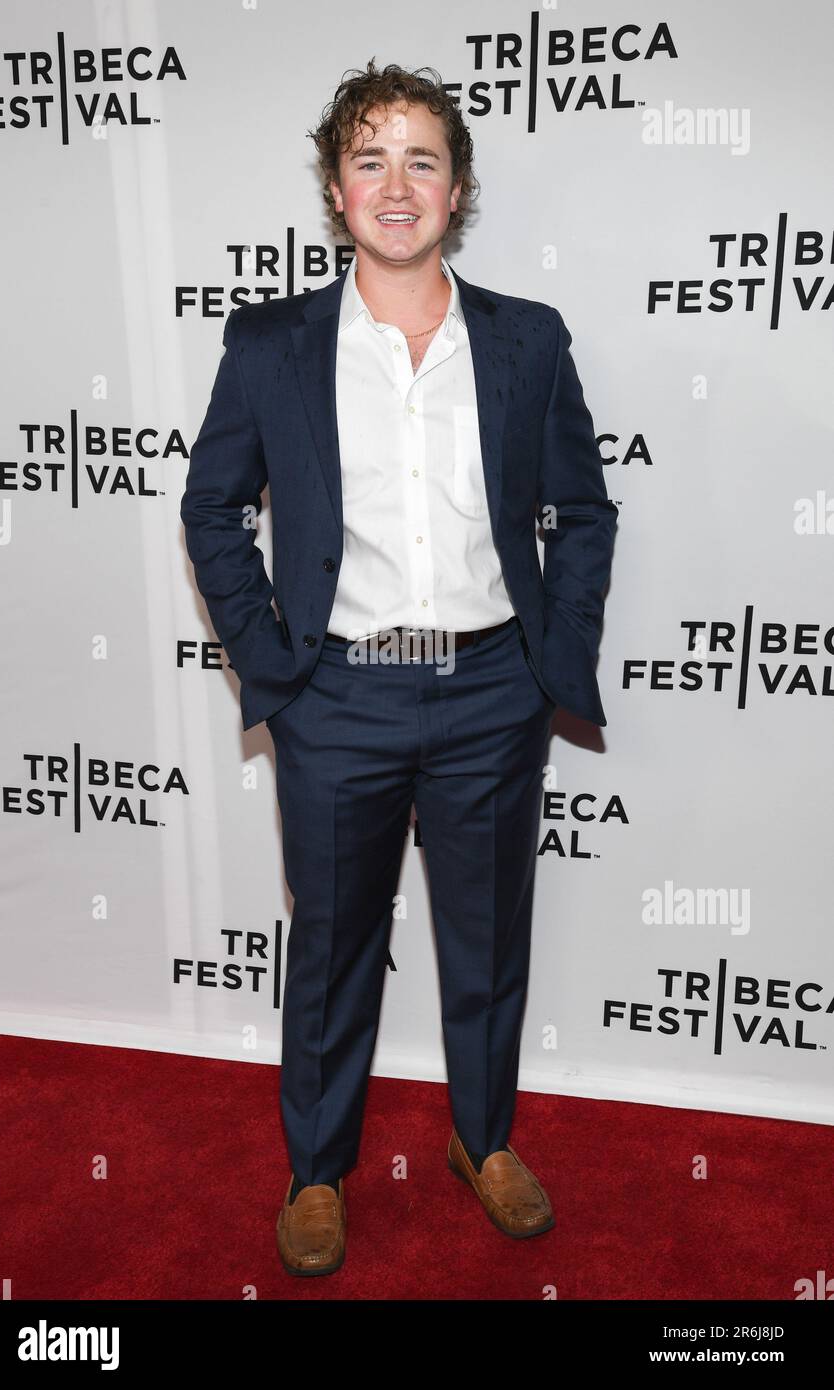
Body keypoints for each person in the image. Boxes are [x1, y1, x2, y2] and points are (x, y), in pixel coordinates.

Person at [180, 59, 619, 1277]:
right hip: (338, 697)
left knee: (488, 942)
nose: (395, 183)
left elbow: (582, 511)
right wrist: (273, 669)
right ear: (335, 188)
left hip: (491, 696)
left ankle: (483, 1143)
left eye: (420, 158)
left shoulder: (525, 341)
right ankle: (317, 1169)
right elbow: (213, 508)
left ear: (456, 188)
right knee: (328, 946)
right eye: (369, 158)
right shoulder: (270, 344)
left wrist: (551, 662)